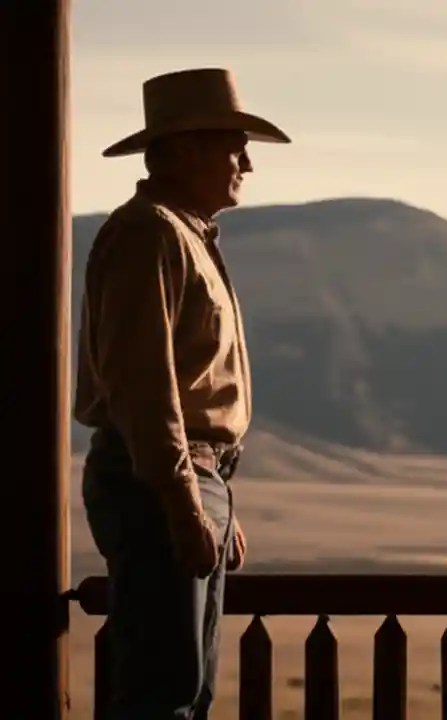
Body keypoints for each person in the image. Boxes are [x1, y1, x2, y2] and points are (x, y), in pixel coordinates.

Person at [74, 67, 290, 719]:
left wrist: (212, 495)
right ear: (186, 148)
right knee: (162, 691)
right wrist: (184, 501)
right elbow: (145, 384)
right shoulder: (151, 234)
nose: (247, 164)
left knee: (184, 690)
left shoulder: (181, 233)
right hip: (161, 482)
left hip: (186, 479)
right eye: (234, 146)